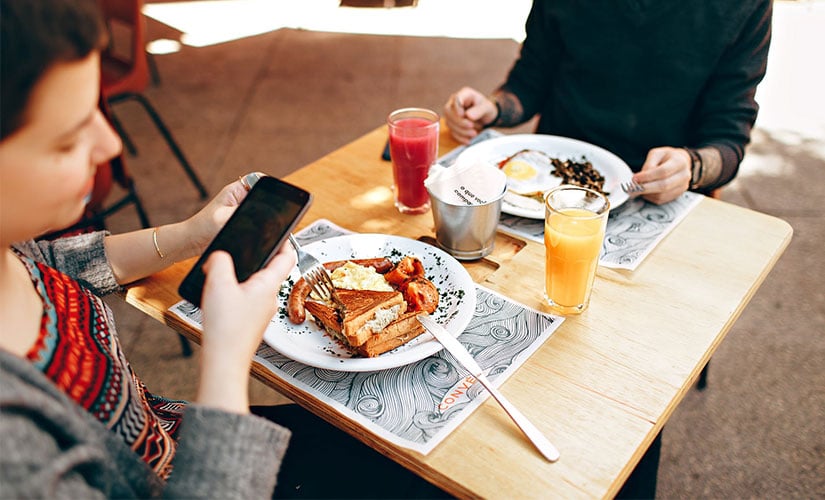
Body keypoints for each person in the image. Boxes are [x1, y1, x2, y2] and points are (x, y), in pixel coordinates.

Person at [0, 1, 445, 497]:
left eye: (97, 112)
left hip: (176, 429)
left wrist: (191, 234)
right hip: (209, 471)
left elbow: (54, 263)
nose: (110, 146)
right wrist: (228, 355)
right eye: (67, 139)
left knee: (411, 450)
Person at [443, 0, 772, 205]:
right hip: (547, 185)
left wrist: (691, 165)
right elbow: (530, 80)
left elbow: (728, 140)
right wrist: (494, 108)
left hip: (656, 195)